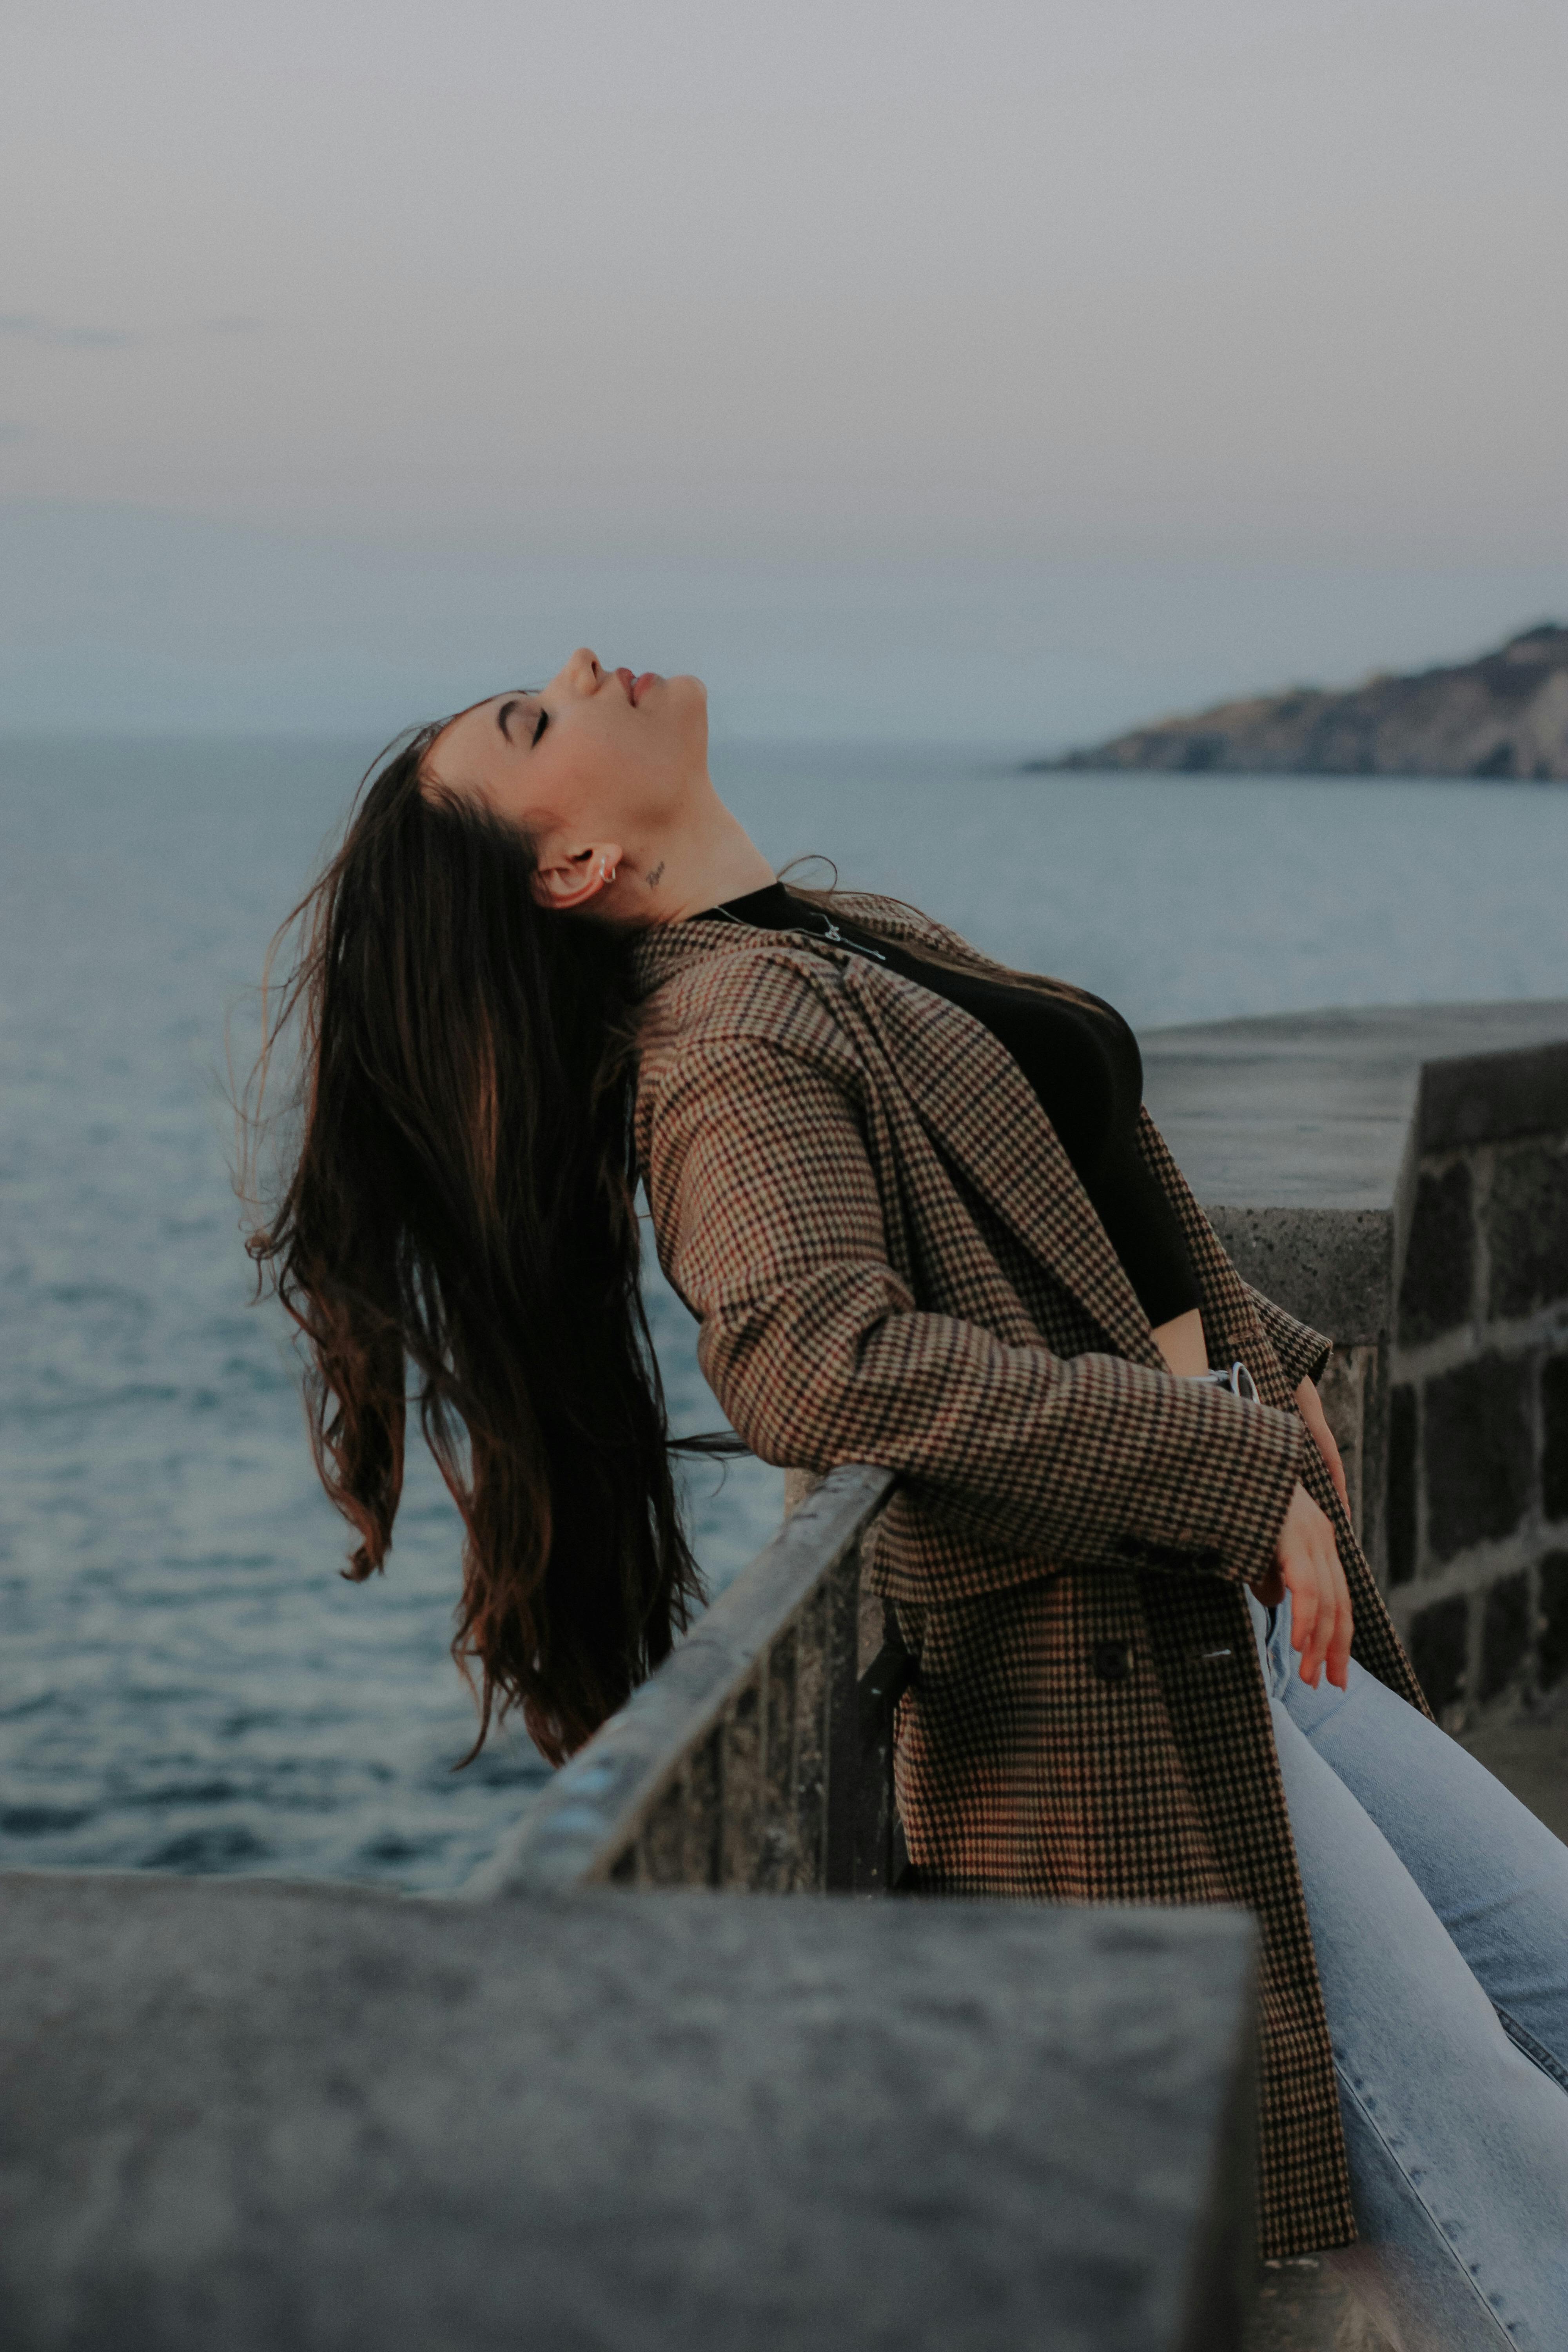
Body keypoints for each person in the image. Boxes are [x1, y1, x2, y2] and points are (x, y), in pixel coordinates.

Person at [250, 648, 1568, 2348]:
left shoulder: (827, 931)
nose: (575, 670)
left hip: (1216, 1611)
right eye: (528, 722)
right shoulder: (723, 1034)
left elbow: (1054, 1202)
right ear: (568, 867)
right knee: (1482, 2168)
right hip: (1114, 1656)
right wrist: (1224, 1459)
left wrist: (1266, 1357)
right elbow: (819, 1361)